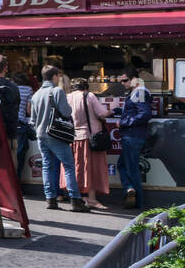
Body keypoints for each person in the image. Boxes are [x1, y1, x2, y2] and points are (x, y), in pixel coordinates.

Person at [29, 65, 88, 213]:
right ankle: (75, 200)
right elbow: (67, 112)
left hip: (41, 135)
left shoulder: (36, 94)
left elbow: (33, 119)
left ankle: (50, 199)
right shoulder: (57, 91)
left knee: (47, 166)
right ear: (54, 76)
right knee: (68, 166)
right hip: (56, 135)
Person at [112, 72, 152, 210]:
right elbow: (135, 111)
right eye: (121, 81)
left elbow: (144, 114)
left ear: (134, 79)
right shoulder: (137, 91)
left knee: (131, 168)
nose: (122, 83)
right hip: (133, 135)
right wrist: (116, 110)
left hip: (132, 135)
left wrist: (124, 122)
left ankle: (138, 202)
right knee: (123, 165)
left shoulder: (139, 91)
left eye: (125, 80)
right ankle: (130, 190)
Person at [68, 78, 110, 210]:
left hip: (74, 138)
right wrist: (112, 109)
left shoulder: (67, 97)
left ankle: (80, 197)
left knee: (78, 169)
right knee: (92, 169)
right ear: (86, 87)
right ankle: (91, 199)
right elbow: (102, 114)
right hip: (90, 139)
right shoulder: (89, 96)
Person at [0, 54, 20, 154]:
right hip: (9, 134)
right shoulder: (13, 87)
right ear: (6, 68)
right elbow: (16, 108)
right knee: (10, 166)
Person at [13, 72, 34, 181]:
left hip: (9, 123)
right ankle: (17, 182)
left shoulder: (11, 87)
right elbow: (28, 110)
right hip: (21, 124)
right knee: (19, 154)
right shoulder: (28, 90)